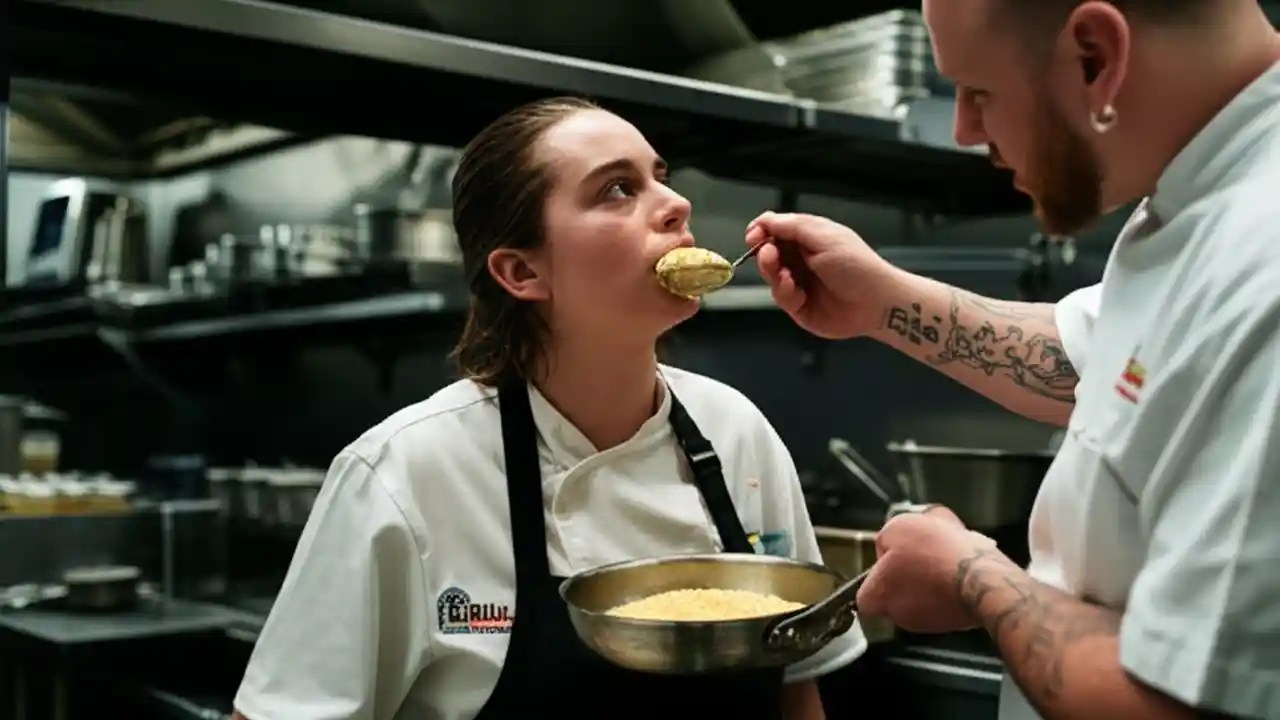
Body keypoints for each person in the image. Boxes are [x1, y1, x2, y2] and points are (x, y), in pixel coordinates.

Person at [230, 96, 865, 720]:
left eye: (659, 178)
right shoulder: (404, 474)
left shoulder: (736, 432)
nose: (676, 205)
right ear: (520, 271)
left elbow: (796, 687)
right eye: (617, 189)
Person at [745, 1, 1280, 719]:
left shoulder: (1263, 264)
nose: (966, 130)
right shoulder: (1203, 195)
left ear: (1094, 56)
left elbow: (1171, 706)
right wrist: (883, 303)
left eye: (979, 92)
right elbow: (1091, 363)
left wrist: (970, 575)